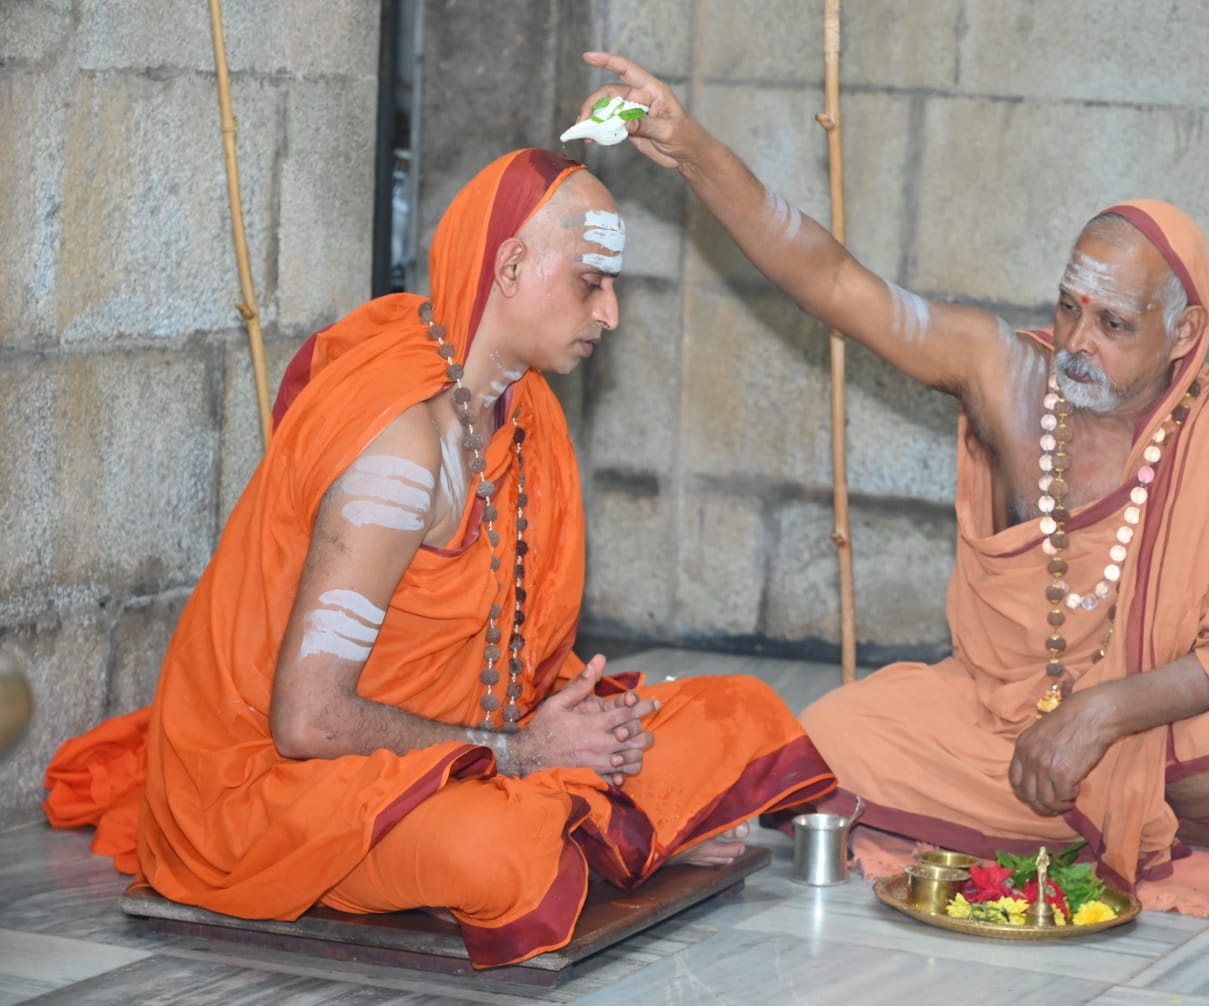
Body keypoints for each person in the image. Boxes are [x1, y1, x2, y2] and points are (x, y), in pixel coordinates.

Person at [572, 53, 1209, 889]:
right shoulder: (1006, 376)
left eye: (1112, 323)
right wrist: (691, 145)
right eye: (1069, 307)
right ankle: (1137, 811)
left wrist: (1103, 711)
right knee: (831, 737)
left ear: (1183, 333)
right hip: (997, 722)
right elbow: (834, 280)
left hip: (1151, 725)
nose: (1076, 342)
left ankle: (1151, 799)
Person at [43, 148, 835, 968]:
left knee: (743, 713)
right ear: (514, 265)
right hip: (296, 785)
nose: (611, 314)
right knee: (504, 853)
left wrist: (588, 722)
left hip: (474, 749)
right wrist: (527, 753)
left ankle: (588, 816)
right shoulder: (399, 448)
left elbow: (514, 659)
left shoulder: (522, 417)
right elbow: (308, 721)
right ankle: (595, 823)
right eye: (591, 282)